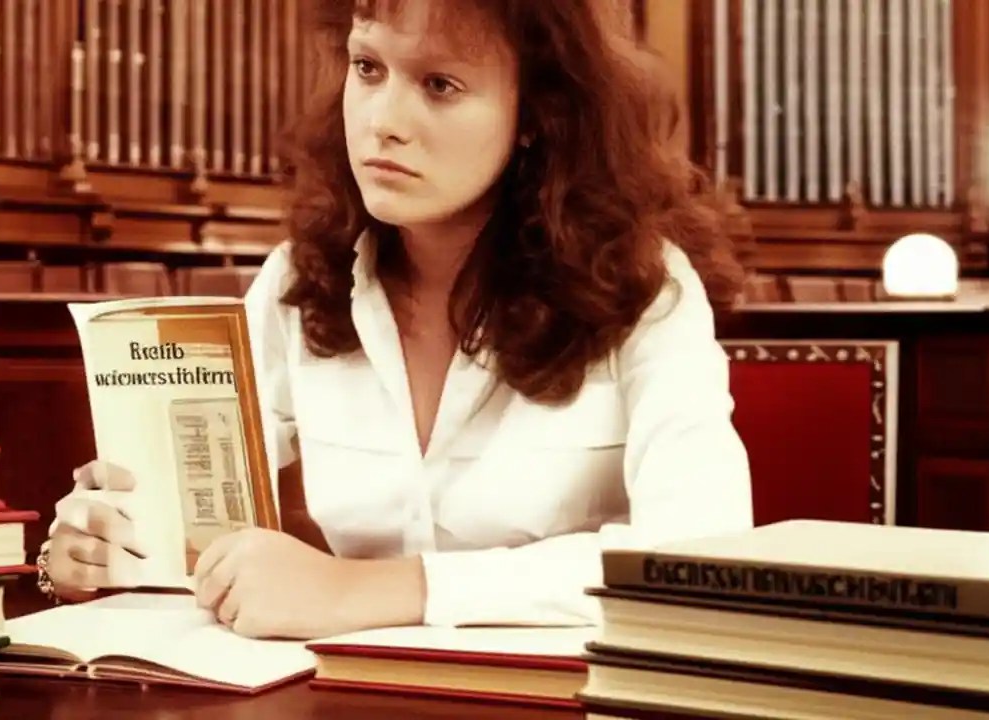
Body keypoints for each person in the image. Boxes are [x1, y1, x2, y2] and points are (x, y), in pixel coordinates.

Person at [41, 0, 754, 640]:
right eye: (368, 67)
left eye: (439, 85)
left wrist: (371, 588)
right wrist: (100, 549)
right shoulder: (297, 277)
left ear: (536, 115)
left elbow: (702, 556)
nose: (383, 121)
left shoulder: (645, 288)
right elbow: (183, 521)